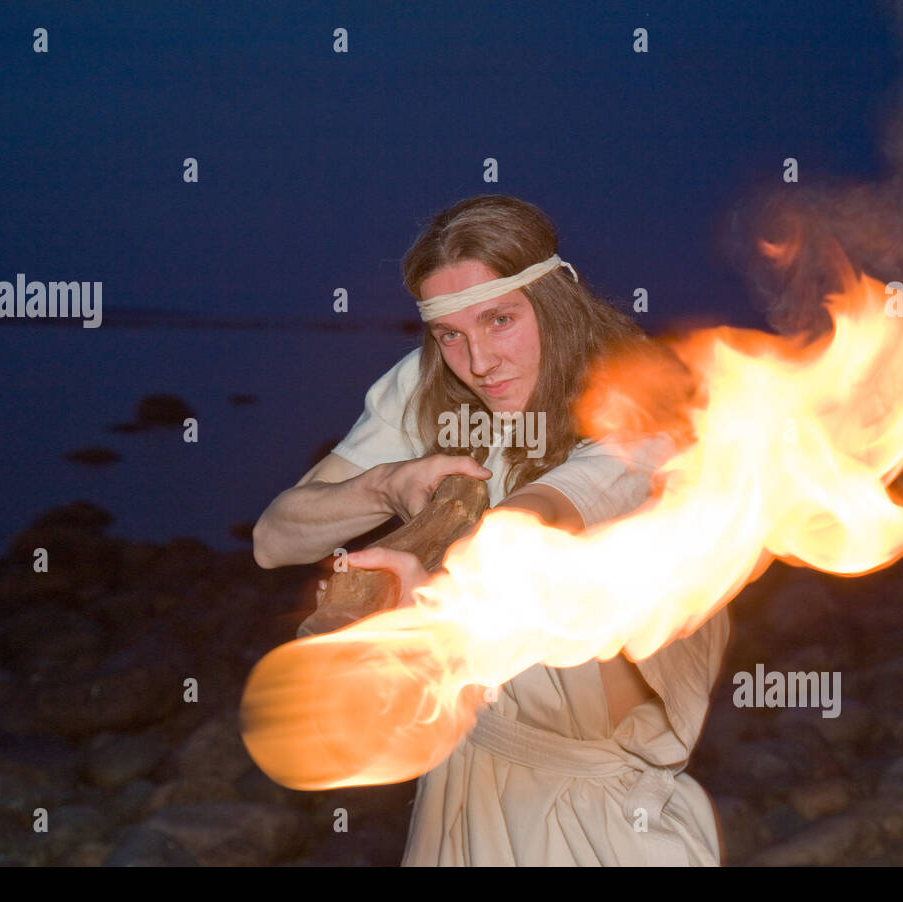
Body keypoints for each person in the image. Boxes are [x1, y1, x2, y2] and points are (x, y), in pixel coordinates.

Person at [253, 194, 732, 866]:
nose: (478, 362)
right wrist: (385, 483)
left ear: (554, 299)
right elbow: (274, 539)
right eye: (449, 334)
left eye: (499, 320)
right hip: (462, 776)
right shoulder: (429, 387)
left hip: (598, 818)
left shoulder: (642, 396)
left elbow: (543, 514)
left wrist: (433, 590)